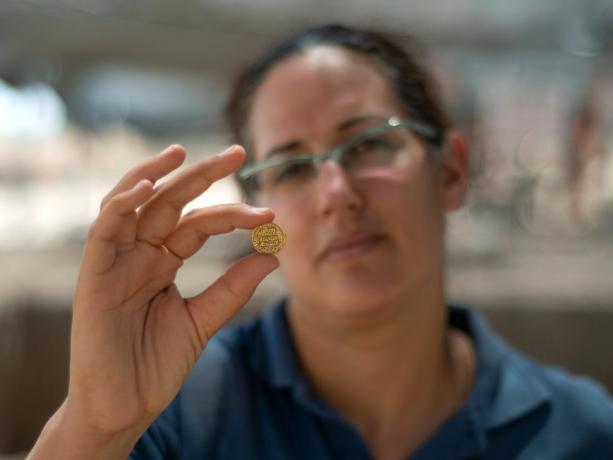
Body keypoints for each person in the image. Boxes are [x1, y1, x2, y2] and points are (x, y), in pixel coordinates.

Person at [28, 24, 613, 460]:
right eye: (291, 168)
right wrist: (98, 425)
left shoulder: (579, 429)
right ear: (258, 215)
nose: (336, 193)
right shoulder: (174, 412)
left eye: (369, 145)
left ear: (451, 172)